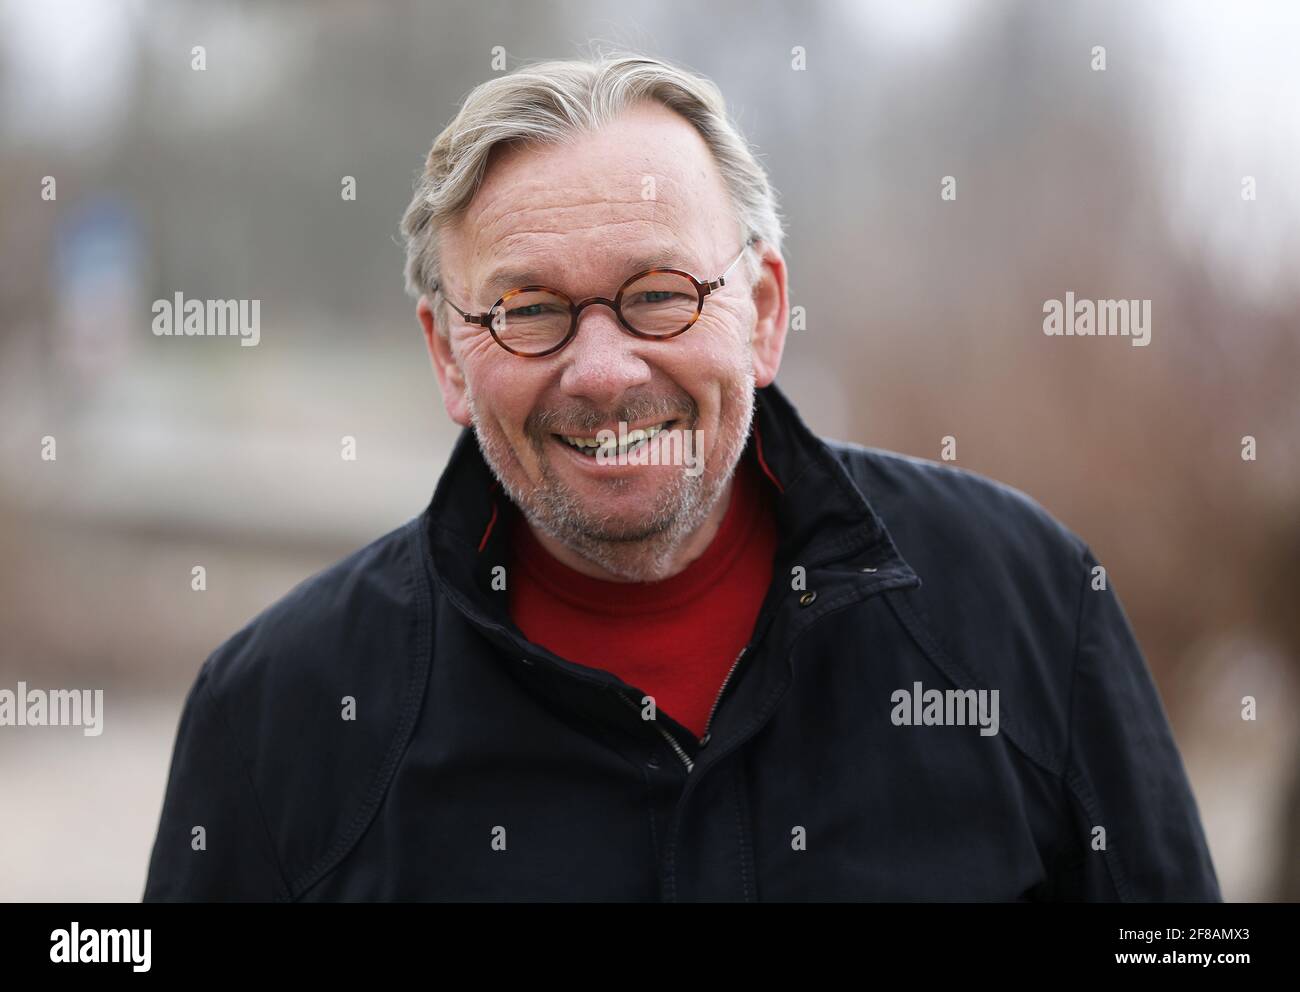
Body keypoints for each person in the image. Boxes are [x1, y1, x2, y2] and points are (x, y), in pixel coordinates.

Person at [143, 53, 1220, 901]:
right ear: (445, 355)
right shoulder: (279, 715)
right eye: (528, 310)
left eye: (659, 292)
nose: (604, 370)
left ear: (760, 311)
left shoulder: (1023, 604)